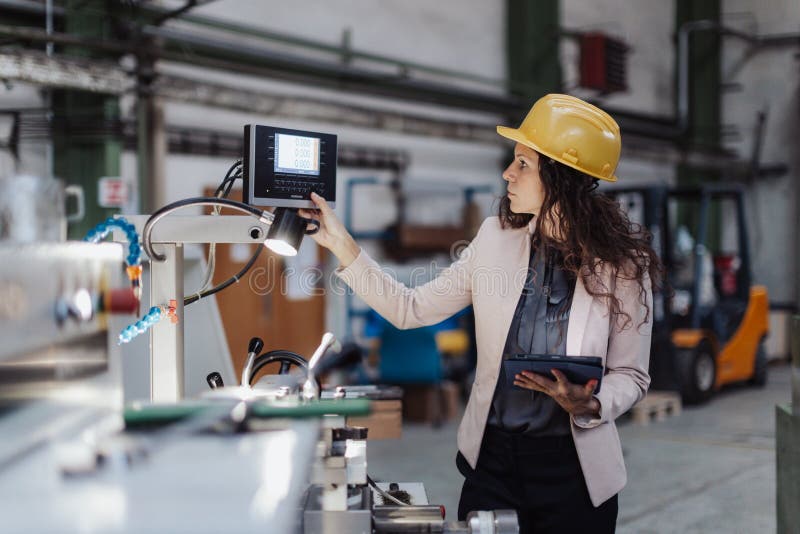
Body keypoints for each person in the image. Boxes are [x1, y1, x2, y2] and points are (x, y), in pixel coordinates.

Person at [299, 94, 661, 533]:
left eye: (523, 164)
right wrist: (342, 244)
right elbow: (409, 308)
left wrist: (593, 401)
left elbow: (633, 375)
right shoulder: (495, 239)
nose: (508, 173)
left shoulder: (623, 265)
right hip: (494, 465)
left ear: (562, 176)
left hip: (575, 475)